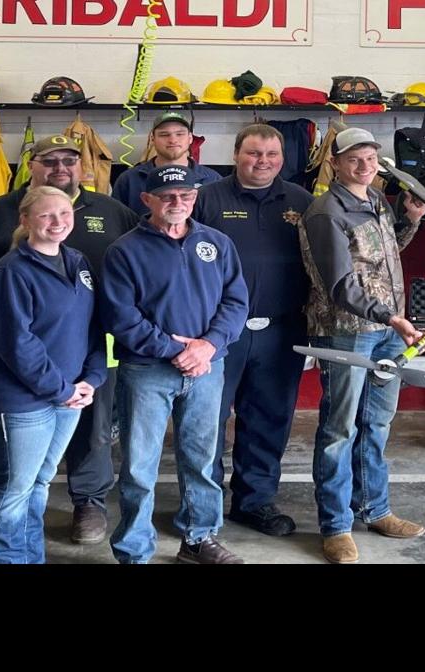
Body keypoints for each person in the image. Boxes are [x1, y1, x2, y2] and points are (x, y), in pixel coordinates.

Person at [0, 135, 138, 559]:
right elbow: (11, 334)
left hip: (74, 381)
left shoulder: (98, 232)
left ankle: (83, 507)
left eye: (71, 160)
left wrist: (90, 375)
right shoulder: (0, 238)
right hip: (24, 388)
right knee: (9, 473)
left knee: (79, 447)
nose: (62, 167)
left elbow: (99, 316)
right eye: (50, 160)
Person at [102, 165, 249, 564]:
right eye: (167, 196)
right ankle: (133, 549)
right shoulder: (125, 250)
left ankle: (199, 539)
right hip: (147, 371)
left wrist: (208, 346)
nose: (177, 203)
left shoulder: (217, 243)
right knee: (138, 466)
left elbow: (236, 303)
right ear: (147, 200)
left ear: (195, 199)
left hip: (206, 369)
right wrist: (171, 348)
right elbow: (120, 316)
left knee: (202, 459)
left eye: (185, 196)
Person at [300, 127, 425, 563]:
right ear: (335, 163)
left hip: (388, 332)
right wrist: (389, 315)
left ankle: (375, 509)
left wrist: (408, 222)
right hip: (347, 330)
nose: (364, 165)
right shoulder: (325, 212)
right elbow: (340, 285)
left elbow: (385, 261)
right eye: (354, 158)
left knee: (376, 424)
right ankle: (336, 526)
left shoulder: (375, 201)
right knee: (340, 429)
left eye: (371, 157)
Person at [192, 124, 314, 536]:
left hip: (282, 331)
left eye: (271, 155)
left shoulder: (301, 201)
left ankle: (255, 501)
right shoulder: (206, 199)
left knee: (268, 419)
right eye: (254, 154)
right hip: (218, 334)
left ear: (283, 159)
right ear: (236, 155)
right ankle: (202, 506)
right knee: (206, 421)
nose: (262, 162)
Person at [0, 186, 106, 563]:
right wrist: (61, 389)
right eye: (47, 215)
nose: (57, 222)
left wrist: (91, 379)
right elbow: (18, 343)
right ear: (26, 220)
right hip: (23, 399)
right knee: (15, 487)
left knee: (38, 484)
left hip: (70, 395)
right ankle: (2, 558)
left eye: (64, 214)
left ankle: (28, 556)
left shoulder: (78, 262)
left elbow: (93, 327)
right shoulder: (10, 272)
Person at [112, 111, 222, 216]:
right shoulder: (129, 180)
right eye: (164, 134)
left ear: (190, 138)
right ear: (152, 139)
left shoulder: (213, 180)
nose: (173, 140)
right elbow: (117, 223)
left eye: (179, 134)